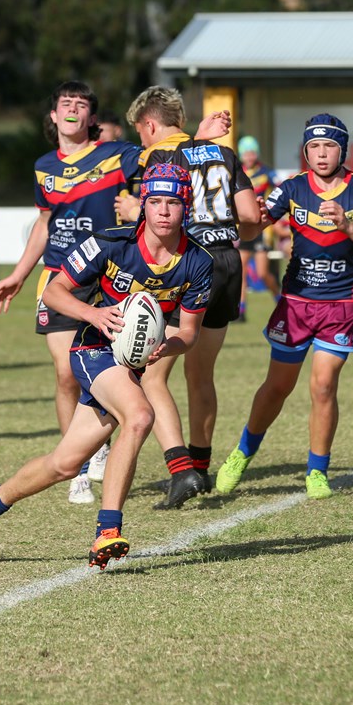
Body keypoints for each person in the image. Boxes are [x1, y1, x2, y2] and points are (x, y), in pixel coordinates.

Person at [0, 81, 229, 505]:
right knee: (65, 372)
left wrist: (198, 139)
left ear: (92, 118)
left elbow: (163, 160)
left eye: (82, 105)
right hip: (61, 276)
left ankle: (90, 454)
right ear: (53, 116)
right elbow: (44, 223)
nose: (73, 110)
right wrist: (19, 275)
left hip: (104, 279)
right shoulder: (44, 165)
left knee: (104, 376)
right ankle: (80, 466)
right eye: (66, 103)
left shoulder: (116, 154)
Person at [0, 163, 213, 568]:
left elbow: (190, 332)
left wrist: (167, 346)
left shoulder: (198, 262)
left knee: (64, 464)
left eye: (174, 203)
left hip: (128, 365)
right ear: (143, 205)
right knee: (140, 415)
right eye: (157, 201)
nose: (164, 211)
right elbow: (56, 290)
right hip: (92, 349)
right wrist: (93, 315)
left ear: (187, 207)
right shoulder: (111, 243)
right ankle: (107, 531)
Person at [215, 114, 353, 500]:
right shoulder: (292, 187)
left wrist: (348, 227)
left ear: (342, 150)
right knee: (278, 386)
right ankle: (243, 452)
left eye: (329, 146)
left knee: (324, 385)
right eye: (314, 146)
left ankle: (317, 471)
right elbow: (248, 233)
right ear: (305, 151)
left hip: (340, 303)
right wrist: (254, 219)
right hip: (296, 303)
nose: (322, 153)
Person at [120, 85, 262, 509]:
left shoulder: (158, 157)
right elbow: (252, 219)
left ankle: (181, 471)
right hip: (228, 264)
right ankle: (201, 468)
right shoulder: (224, 154)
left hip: (187, 263)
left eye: (141, 133)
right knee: (201, 375)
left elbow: (150, 216)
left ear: (149, 125)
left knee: (152, 376)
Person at [237, 135, 285, 319]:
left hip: (262, 229)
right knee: (240, 271)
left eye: (252, 153)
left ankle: (280, 300)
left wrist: (279, 217)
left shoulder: (266, 172)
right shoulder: (238, 173)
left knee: (263, 272)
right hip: (244, 227)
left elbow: (282, 190)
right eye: (246, 153)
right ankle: (241, 310)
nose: (249, 156)